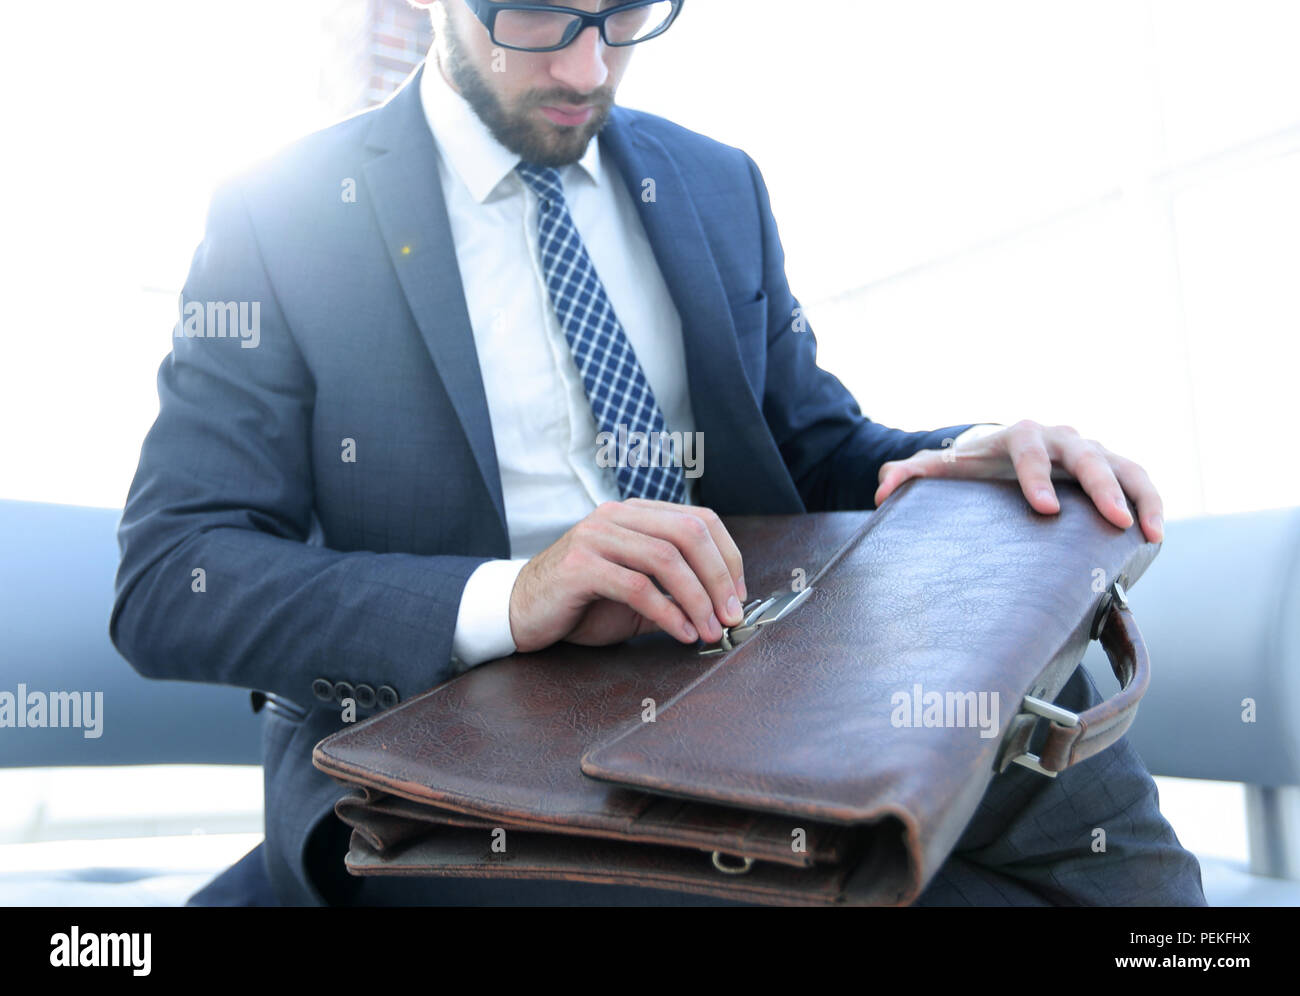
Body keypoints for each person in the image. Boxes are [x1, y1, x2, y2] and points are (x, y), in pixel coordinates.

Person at [112, 0, 1204, 906]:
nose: (589, 65)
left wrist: (956, 450)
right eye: (538, 15)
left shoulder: (711, 182)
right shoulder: (283, 213)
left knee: (1131, 872)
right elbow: (171, 579)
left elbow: (813, 447)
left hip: (766, 693)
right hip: (455, 752)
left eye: (624, 14)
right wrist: (511, 598)